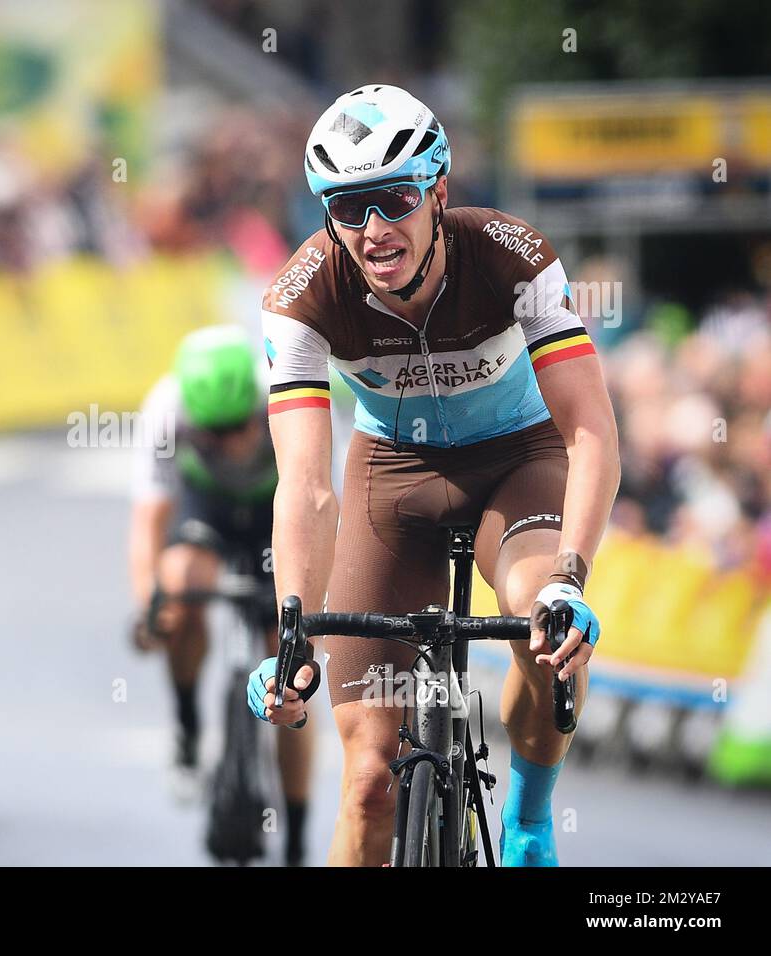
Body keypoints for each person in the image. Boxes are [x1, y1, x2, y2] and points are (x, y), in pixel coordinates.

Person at [246, 85, 618, 866]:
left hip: (519, 460)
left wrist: (572, 579)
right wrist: (293, 626)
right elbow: (308, 487)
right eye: (350, 209)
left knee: (537, 614)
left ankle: (528, 815)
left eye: (395, 199)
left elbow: (588, 428)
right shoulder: (301, 297)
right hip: (394, 477)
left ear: (438, 191)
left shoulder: (512, 255)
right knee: (368, 784)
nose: (375, 230)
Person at [129, 325, 315, 866]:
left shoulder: (284, 397)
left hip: (277, 513)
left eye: (238, 427)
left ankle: (298, 837)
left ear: (254, 407)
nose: (230, 443)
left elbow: (323, 506)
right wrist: (152, 605)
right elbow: (148, 523)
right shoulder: (166, 408)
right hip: (205, 511)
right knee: (180, 582)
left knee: (291, 669)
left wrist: (308, 614)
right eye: (213, 433)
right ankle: (187, 722)